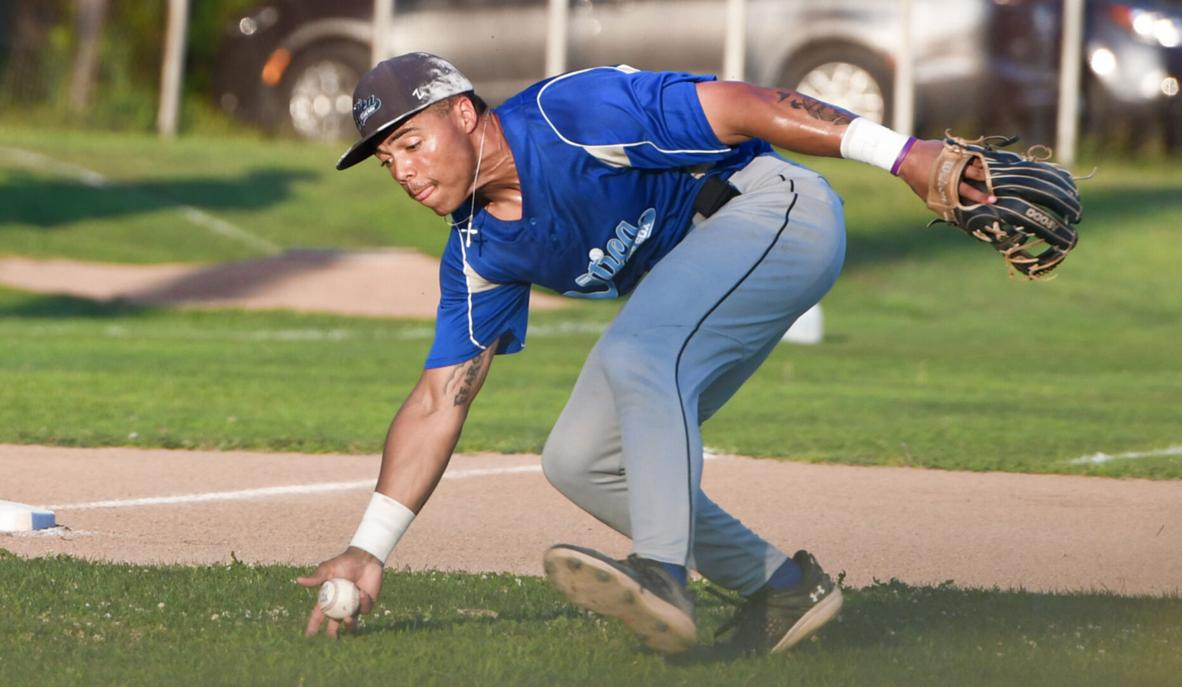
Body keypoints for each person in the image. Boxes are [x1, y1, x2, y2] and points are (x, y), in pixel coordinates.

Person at [296, 52, 993, 654]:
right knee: (581, 460)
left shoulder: (570, 114)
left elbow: (743, 105)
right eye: (388, 160)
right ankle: (782, 590)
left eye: (411, 143)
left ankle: (663, 576)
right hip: (707, 270)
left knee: (639, 353)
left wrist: (900, 154)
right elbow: (436, 401)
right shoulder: (480, 248)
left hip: (773, 210)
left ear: (464, 114)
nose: (403, 171)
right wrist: (369, 548)